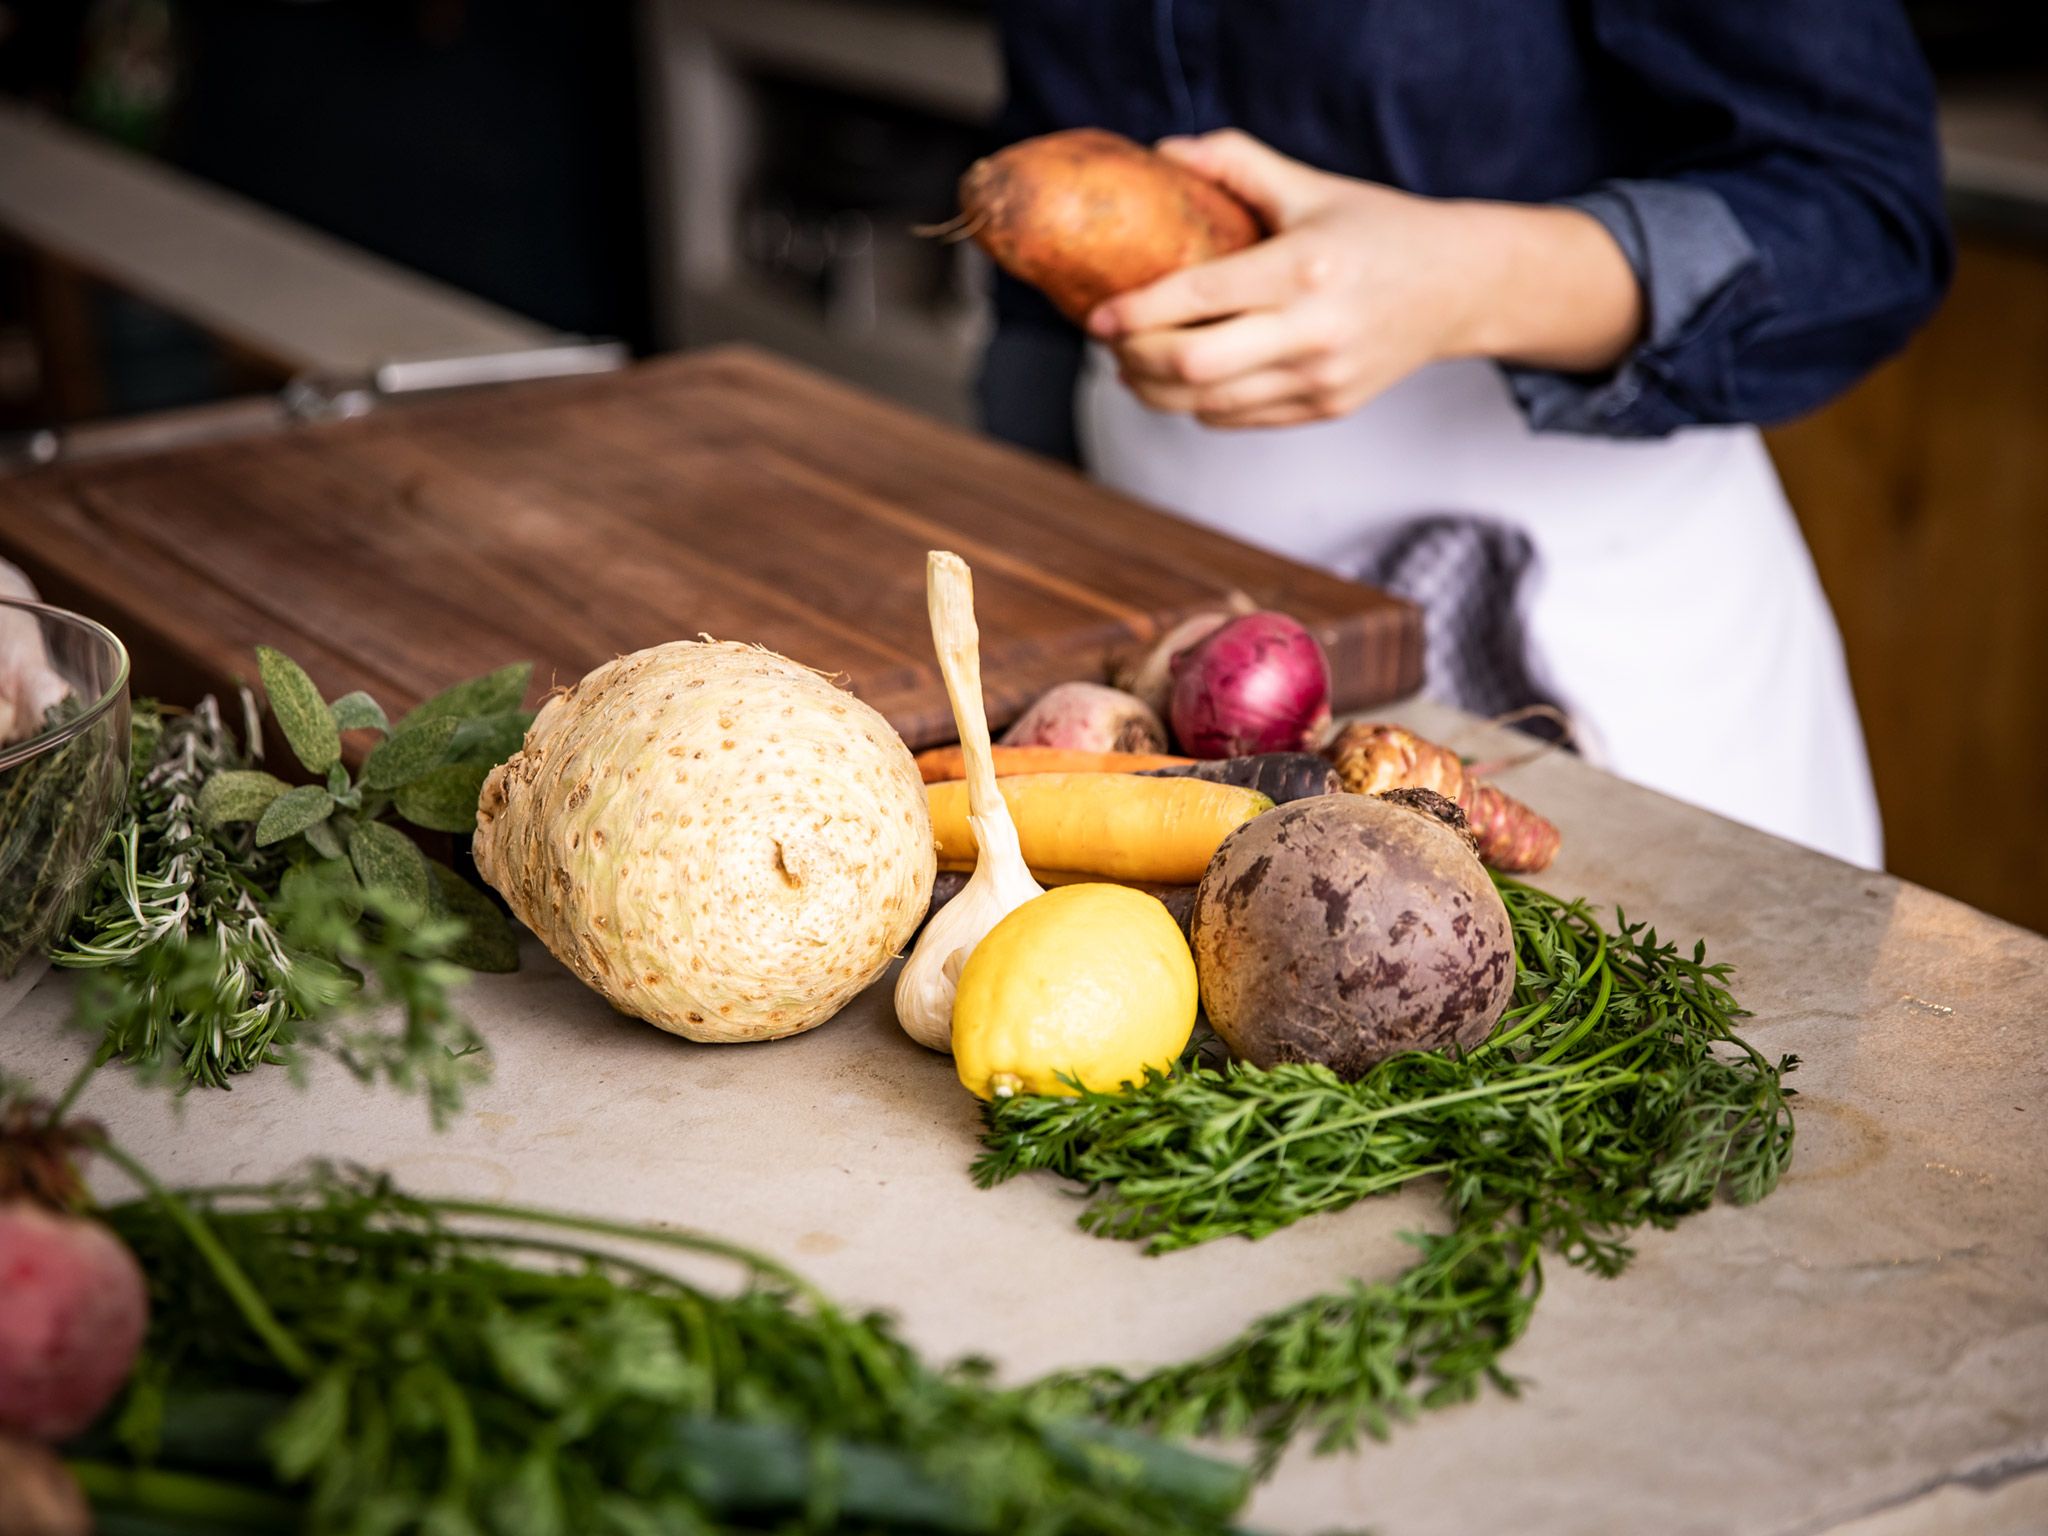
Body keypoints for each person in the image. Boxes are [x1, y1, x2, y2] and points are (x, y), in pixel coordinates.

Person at [977, 3, 1952, 868]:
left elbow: (1867, 219)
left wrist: (1459, 282)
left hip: (1592, 607)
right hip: (1168, 622)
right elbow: (1039, 221)